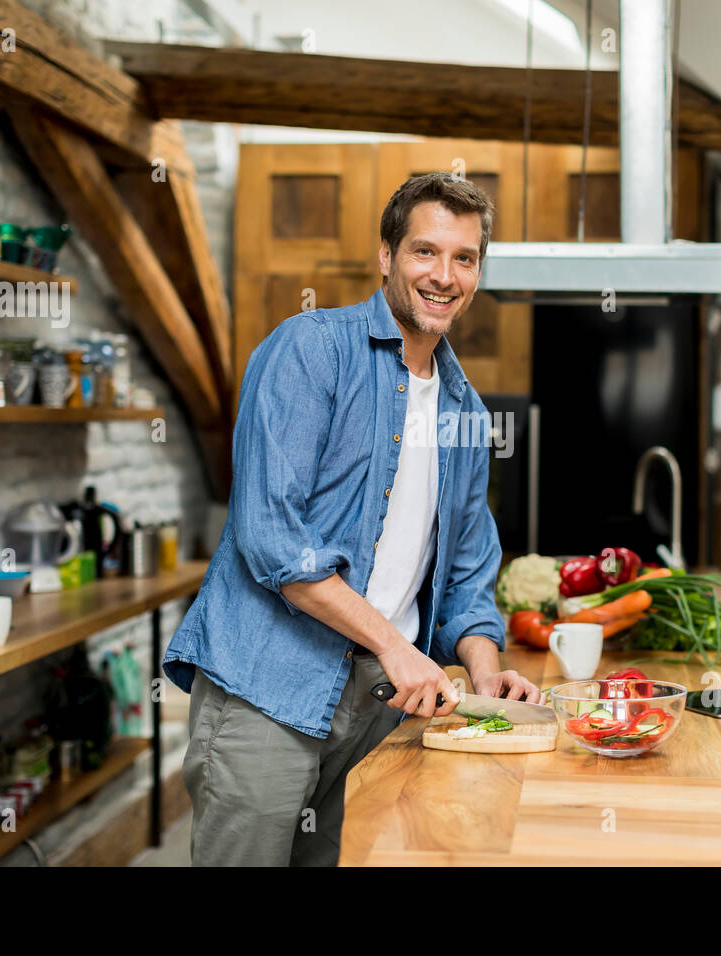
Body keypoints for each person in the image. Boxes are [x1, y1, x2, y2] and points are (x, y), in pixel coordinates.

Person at [162, 171, 546, 866]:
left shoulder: (464, 411)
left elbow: (465, 575)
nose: (444, 275)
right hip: (268, 692)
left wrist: (485, 673)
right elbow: (272, 541)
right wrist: (399, 649)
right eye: (424, 252)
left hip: (379, 708)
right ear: (386, 257)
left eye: (464, 258)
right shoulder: (311, 351)